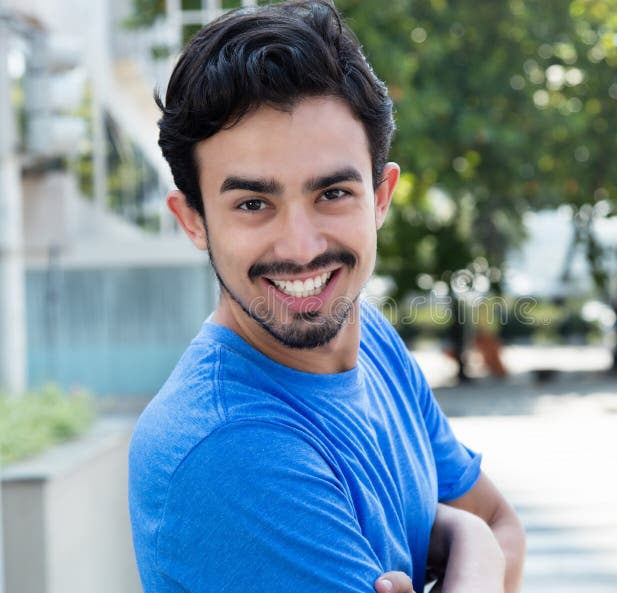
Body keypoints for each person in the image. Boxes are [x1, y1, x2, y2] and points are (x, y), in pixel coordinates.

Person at [127, 2, 525, 592]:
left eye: (332, 193)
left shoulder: (373, 343)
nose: (301, 245)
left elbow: (499, 523)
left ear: (381, 196)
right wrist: (474, 546)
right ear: (194, 221)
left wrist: (473, 536)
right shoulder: (229, 451)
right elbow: (492, 535)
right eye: (253, 204)